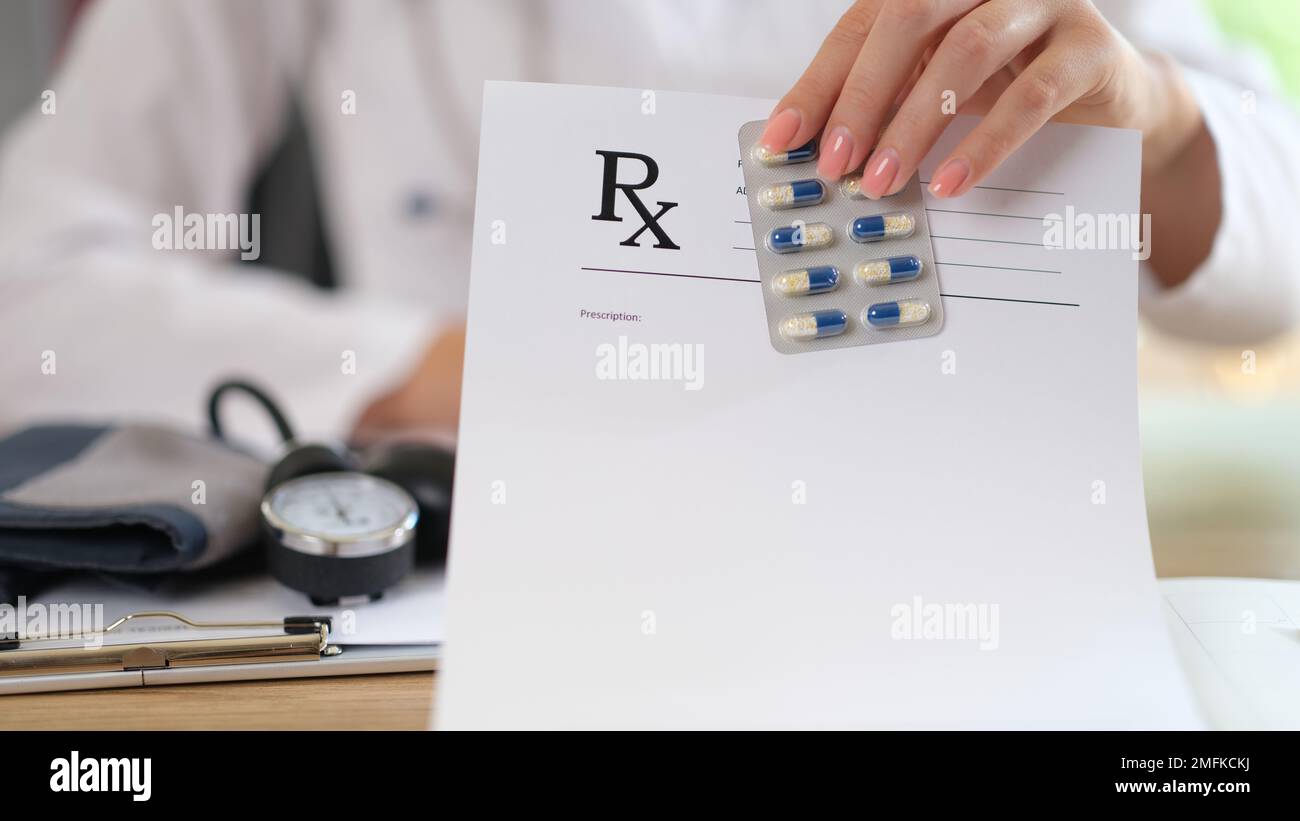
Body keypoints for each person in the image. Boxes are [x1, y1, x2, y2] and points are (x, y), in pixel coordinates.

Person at [1, 0, 1296, 443]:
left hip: (913, 547)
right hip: (470, 567)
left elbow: (1274, 254)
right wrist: (440, 365)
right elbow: (27, 287)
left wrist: (1167, 133)